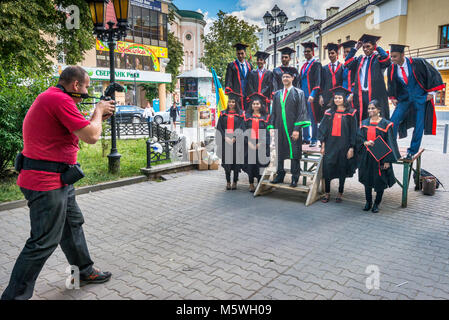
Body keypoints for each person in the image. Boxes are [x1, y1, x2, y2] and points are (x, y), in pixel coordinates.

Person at [1, 66, 115, 300]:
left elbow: (80, 130)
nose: (86, 91)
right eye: (85, 87)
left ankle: (83, 271)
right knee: (43, 241)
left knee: (72, 224)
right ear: (75, 86)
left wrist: (97, 117)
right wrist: (98, 110)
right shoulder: (58, 100)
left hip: (61, 179)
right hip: (46, 183)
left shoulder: (55, 99)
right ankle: (13, 297)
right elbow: (91, 136)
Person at [388, 44, 445, 160]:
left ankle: (411, 151)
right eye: (391, 57)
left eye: (395, 57)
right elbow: (391, 83)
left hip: (420, 99)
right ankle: (391, 149)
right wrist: (393, 97)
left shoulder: (418, 63)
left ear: (402, 55)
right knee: (392, 122)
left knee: (419, 126)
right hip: (404, 100)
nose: (392, 59)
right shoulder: (392, 68)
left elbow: (434, 75)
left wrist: (432, 94)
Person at [268, 67, 310, 188]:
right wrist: (271, 127)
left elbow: (301, 112)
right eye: (283, 77)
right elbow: (274, 112)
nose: (285, 78)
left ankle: (294, 178)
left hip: (293, 129)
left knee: (294, 153)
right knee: (280, 153)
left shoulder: (299, 93)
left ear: (292, 78)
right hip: (280, 128)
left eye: (287, 76)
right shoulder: (277, 94)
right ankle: (280, 176)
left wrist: (297, 129)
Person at [357, 100, 400, 213]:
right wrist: (365, 142)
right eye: (369, 108)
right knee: (367, 179)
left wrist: (387, 161)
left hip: (380, 158)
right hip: (367, 157)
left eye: (373, 108)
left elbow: (390, 142)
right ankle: (368, 202)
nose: (370, 110)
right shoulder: (364, 123)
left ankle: (376, 203)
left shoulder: (386, 124)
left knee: (380, 181)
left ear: (379, 110)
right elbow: (359, 138)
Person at [318, 87, 357, 203]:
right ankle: (327, 193)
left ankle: (340, 193)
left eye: (340, 98)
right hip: (330, 145)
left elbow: (354, 131)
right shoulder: (329, 112)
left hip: (344, 146)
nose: (337, 100)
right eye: (335, 98)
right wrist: (323, 145)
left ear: (344, 99)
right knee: (328, 168)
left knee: (342, 169)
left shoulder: (351, 113)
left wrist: (351, 147)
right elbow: (322, 130)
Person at [345, 34, 391, 126]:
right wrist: (355, 49)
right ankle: (363, 137)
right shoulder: (360, 59)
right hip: (361, 95)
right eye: (364, 47)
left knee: (375, 118)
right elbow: (347, 63)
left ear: (373, 47)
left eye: (368, 46)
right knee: (362, 118)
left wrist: (377, 47)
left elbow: (386, 59)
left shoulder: (377, 58)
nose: (365, 49)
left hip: (375, 94)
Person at [215, 93, 245, 190]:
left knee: (236, 162)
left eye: (233, 102)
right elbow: (219, 127)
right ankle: (228, 181)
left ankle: (235, 181)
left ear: (236, 103)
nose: (231, 104)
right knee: (227, 162)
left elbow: (242, 127)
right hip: (226, 141)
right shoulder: (223, 114)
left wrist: (235, 137)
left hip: (237, 142)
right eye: (229, 102)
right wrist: (225, 138)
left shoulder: (241, 115)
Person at [242, 94, 271, 193]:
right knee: (251, 164)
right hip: (249, 144)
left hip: (262, 144)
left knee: (261, 164)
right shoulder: (247, 117)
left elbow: (268, 132)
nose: (255, 105)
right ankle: (251, 184)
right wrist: (249, 143)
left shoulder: (266, 117)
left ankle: (259, 183)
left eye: (257, 103)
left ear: (261, 105)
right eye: (254, 104)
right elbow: (243, 130)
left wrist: (262, 143)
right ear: (251, 105)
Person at [299, 41, 322, 147]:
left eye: (308, 51)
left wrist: (313, 94)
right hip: (303, 95)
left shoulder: (316, 64)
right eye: (305, 51)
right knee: (304, 117)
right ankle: (306, 138)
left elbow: (318, 81)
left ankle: (314, 139)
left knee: (313, 118)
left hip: (311, 96)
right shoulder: (303, 65)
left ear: (313, 52)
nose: (306, 53)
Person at [225, 43, 253, 112]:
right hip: (236, 95)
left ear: (245, 54)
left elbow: (251, 81)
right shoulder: (231, 66)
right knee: (237, 114)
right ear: (236, 54)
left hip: (247, 95)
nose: (240, 55)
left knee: (247, 114)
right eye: (238, 54)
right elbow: (228, 80)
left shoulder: (249, 66)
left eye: (242, 53)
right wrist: (230, 94)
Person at [320, 43, 344, 109]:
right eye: (329, 53)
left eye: (332, 53)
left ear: (337, 54)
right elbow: (321, 83)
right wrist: (321, 96)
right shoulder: (324, 68)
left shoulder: (342, 67)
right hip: (326, 97)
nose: (330, 55)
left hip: (338, 98)